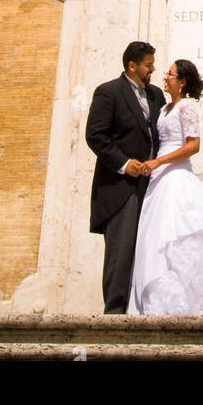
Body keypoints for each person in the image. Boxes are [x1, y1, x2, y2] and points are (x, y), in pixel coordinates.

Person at [127, 59, 203, 316]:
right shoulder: (166, 108)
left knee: (178, 233)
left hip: (176, 176)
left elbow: (193, 145)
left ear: (183, 82)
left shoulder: (187, 107)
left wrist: (159, 161)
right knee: (157, 237)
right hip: (159, 180)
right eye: (166, 73)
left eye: (170, 74)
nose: (165, 77)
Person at [86, 41, 165, 314]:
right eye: (148, 64)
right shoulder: (108, 92)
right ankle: (115, 313)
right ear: (132, 65)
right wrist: (124, 164)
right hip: (120, 187)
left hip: (152, 184)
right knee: (121, 252)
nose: (152, 69)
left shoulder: (156, 95)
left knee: (149, 249)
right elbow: (95, 135)